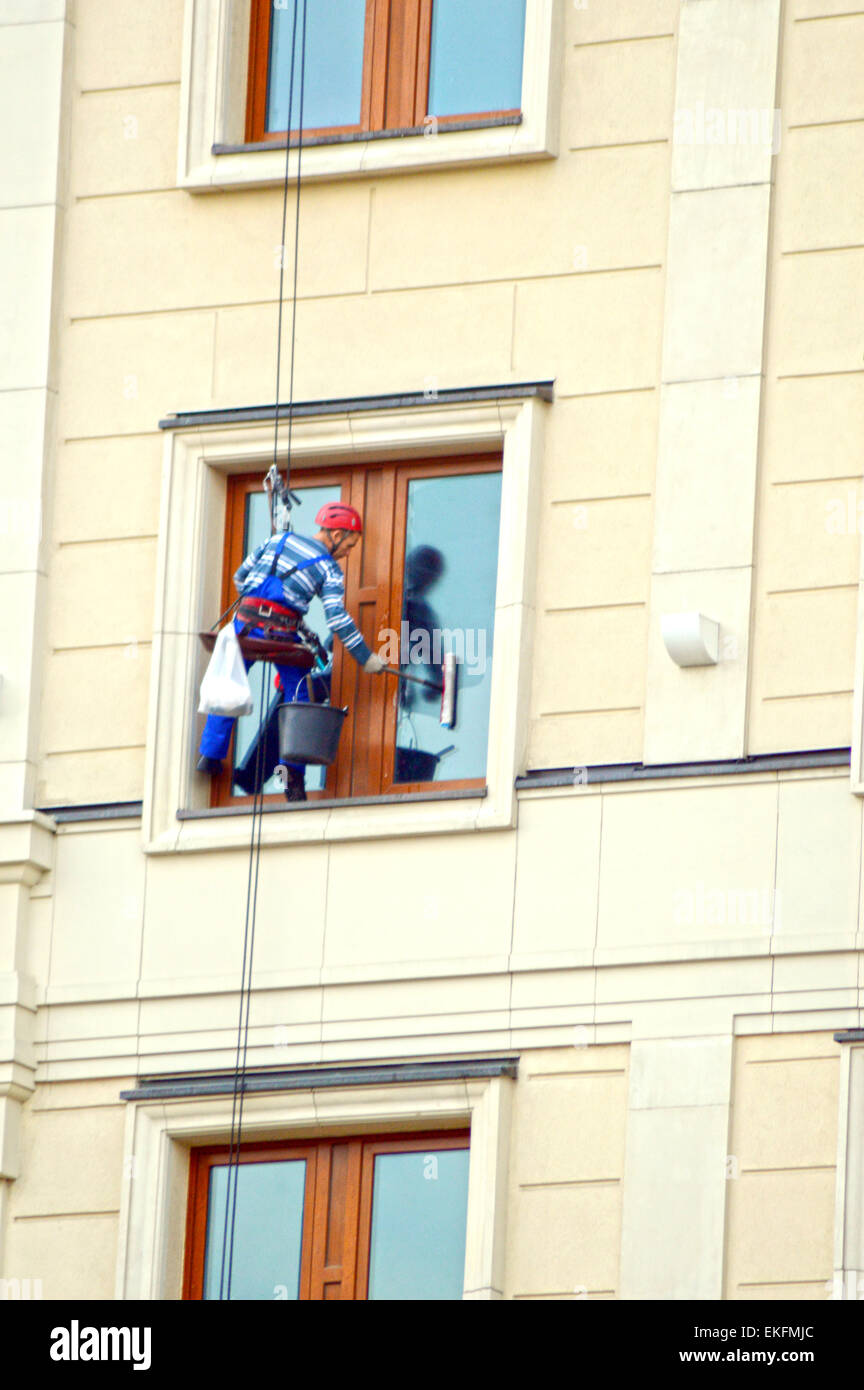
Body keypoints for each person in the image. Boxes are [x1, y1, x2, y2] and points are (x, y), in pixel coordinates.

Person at [197, 502, 386, 801]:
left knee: (227, 687)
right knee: (299, 697)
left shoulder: (275, 540)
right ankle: (292, 778)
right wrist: (366, 657)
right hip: (280, 637)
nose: (347, 553)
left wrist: (268, 605)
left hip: (241, 629)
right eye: (349, 545)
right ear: (336, 534)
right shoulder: (329, 568)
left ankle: (209, 756)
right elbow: (337, 618)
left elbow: (240, 578)